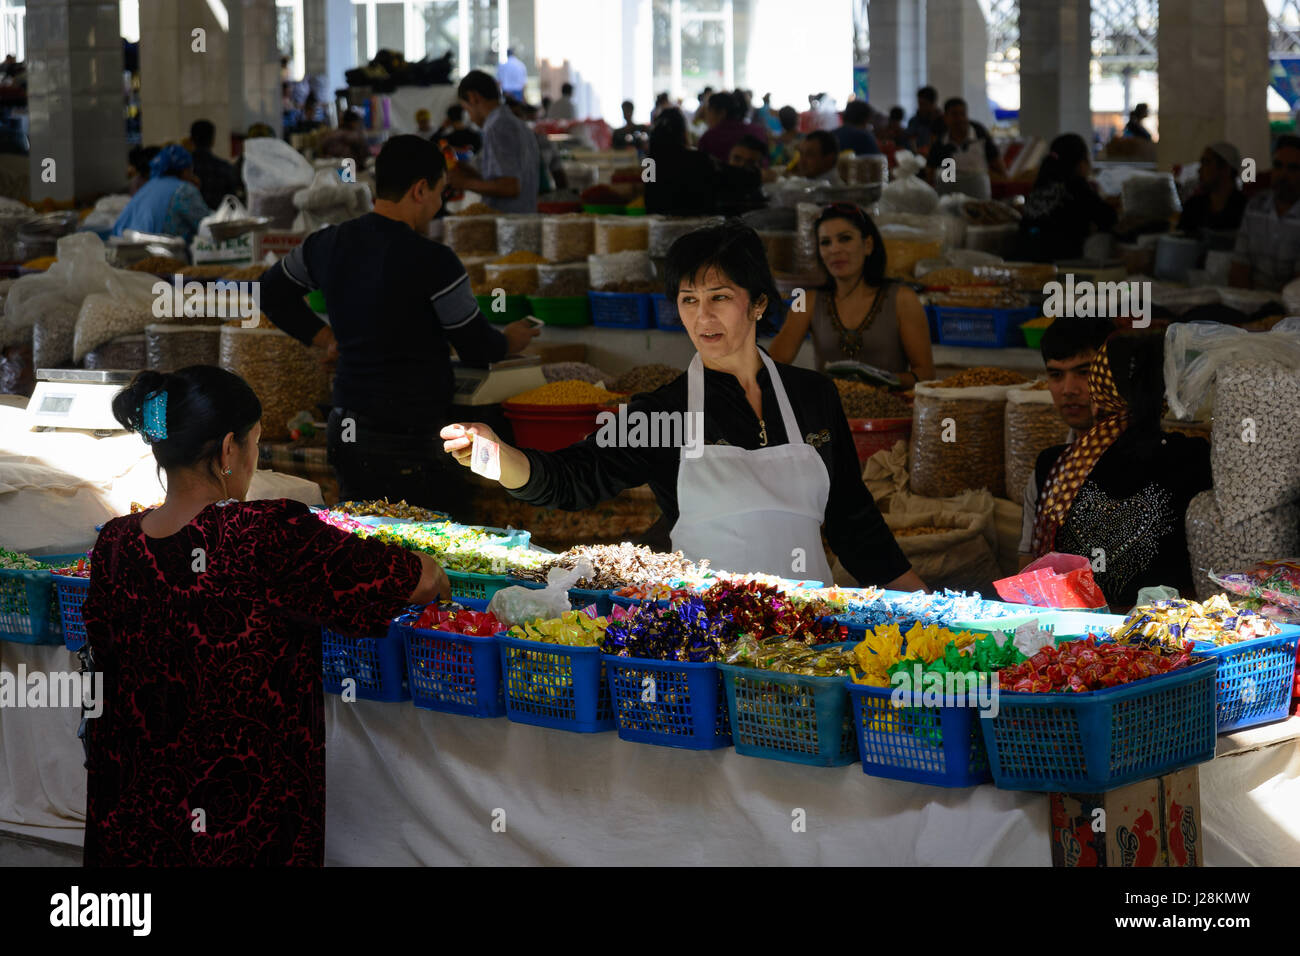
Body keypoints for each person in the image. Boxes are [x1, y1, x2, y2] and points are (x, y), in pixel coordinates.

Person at [80, 366, 449, 866]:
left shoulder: (116, 544)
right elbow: (420, 580)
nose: (256, 460)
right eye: (256, 444)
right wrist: (436, 572)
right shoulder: (259, 534)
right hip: (243, 826)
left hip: (138, 820)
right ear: (229, 450)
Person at [441, 221, 926, 591]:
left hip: (809, 627)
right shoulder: (663, 412)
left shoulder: (813, 396)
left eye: (719, 297)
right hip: (706, 634)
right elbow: (573, 477)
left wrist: (932, 611)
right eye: (688, 300)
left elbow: (854, 523)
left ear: (757, 304)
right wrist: (497, 457)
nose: (703, 316)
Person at [259, 136, 539, 517]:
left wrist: (327, 338)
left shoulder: (327, 243)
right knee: (432, 552)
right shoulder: (434, 260)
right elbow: (478, 347)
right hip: (410, 437)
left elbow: (271, 293)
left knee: (364, 547)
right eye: (441, 191)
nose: (440, 203)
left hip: (348, 431)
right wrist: (510, 339)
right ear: (420, 189)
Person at [1028, 333, 1211, 610]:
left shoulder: (1056, 464)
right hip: (1164, 632)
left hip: (1075, 634)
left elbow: (1035, 566)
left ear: (1098, 390)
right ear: (1166, 392)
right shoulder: (1193, 456)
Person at [770, 203, 934, 385]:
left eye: (845, 239)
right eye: (825, 242)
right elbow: (775, 362)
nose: (834, 249)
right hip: (828, 411)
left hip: (889, 410)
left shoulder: (902, 299)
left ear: (868, 245)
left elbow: (925, 374)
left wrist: (882, 381)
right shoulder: (807, 302)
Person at [1017, 317, 1116, 570]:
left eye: (1084, 373)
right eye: (1056, 375)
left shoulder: (1152, 460)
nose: (1068, 389)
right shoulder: (1048, 470)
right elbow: (1029, 567)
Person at [1014, 133, 1117, 263]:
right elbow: (1109, 218)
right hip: (1059, 262)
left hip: (1023, 257)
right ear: (1081, 162)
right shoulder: (1076, 186)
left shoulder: (1041, 184)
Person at [448, 70, 539, 214]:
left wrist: (463, 183)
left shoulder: (498, 126)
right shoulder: (516, 124)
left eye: (467, 110)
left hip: (508, 225)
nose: (470, 118)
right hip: (521, 219)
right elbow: (503, 179)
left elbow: (510, 187)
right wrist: (466, 171)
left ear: (473, 98)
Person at [1230, 135, 1300, 291]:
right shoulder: (1255, 207)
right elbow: (1239, 266)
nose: (1283, 174)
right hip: (1252, 299)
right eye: (1278, 166)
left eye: (1293, 168)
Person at [112, 145, 211, 244]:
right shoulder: (184, 190)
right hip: (167, 254)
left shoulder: (149, 186)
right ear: (185, 169)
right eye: (190, 169)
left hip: (131, 248)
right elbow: (207, 226)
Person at [925, 97, 1004, 199]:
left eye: (962, 114)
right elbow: (930, 174)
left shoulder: (980, 135)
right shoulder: (940, 143)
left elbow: (999, 167)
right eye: (954, 115)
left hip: (980, 198)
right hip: (949, 200)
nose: (960, 119)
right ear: (945, 117)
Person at [644, 107, 717, 216]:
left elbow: (649, 201)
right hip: (698, 225)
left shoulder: (650, 163)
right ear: (683, 131)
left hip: (661, 226)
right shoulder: (700, 159)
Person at [1177, 142, 1245, 235]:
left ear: (1226, 169)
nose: (1199, 170)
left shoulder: (1245, 210)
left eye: (1206, 163)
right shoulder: (1193, 207)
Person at [698, 91, 769, 166]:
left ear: (722, 113)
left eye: (709, 111)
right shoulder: (757, 130)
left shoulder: (709, 138)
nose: (706, 117)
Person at [188, 119, 239, 209]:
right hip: (219, 219)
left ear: (191, 140)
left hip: (190, 220)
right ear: (212, 140)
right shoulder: (224, 167)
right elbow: (232, 200)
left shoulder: (185, 169)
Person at [906, 86, 945, 152]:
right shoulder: (914, 121)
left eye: (923, 104)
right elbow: (910, 142)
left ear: (933, 103)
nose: (920, 107)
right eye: (919, 104)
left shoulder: (943, 121)